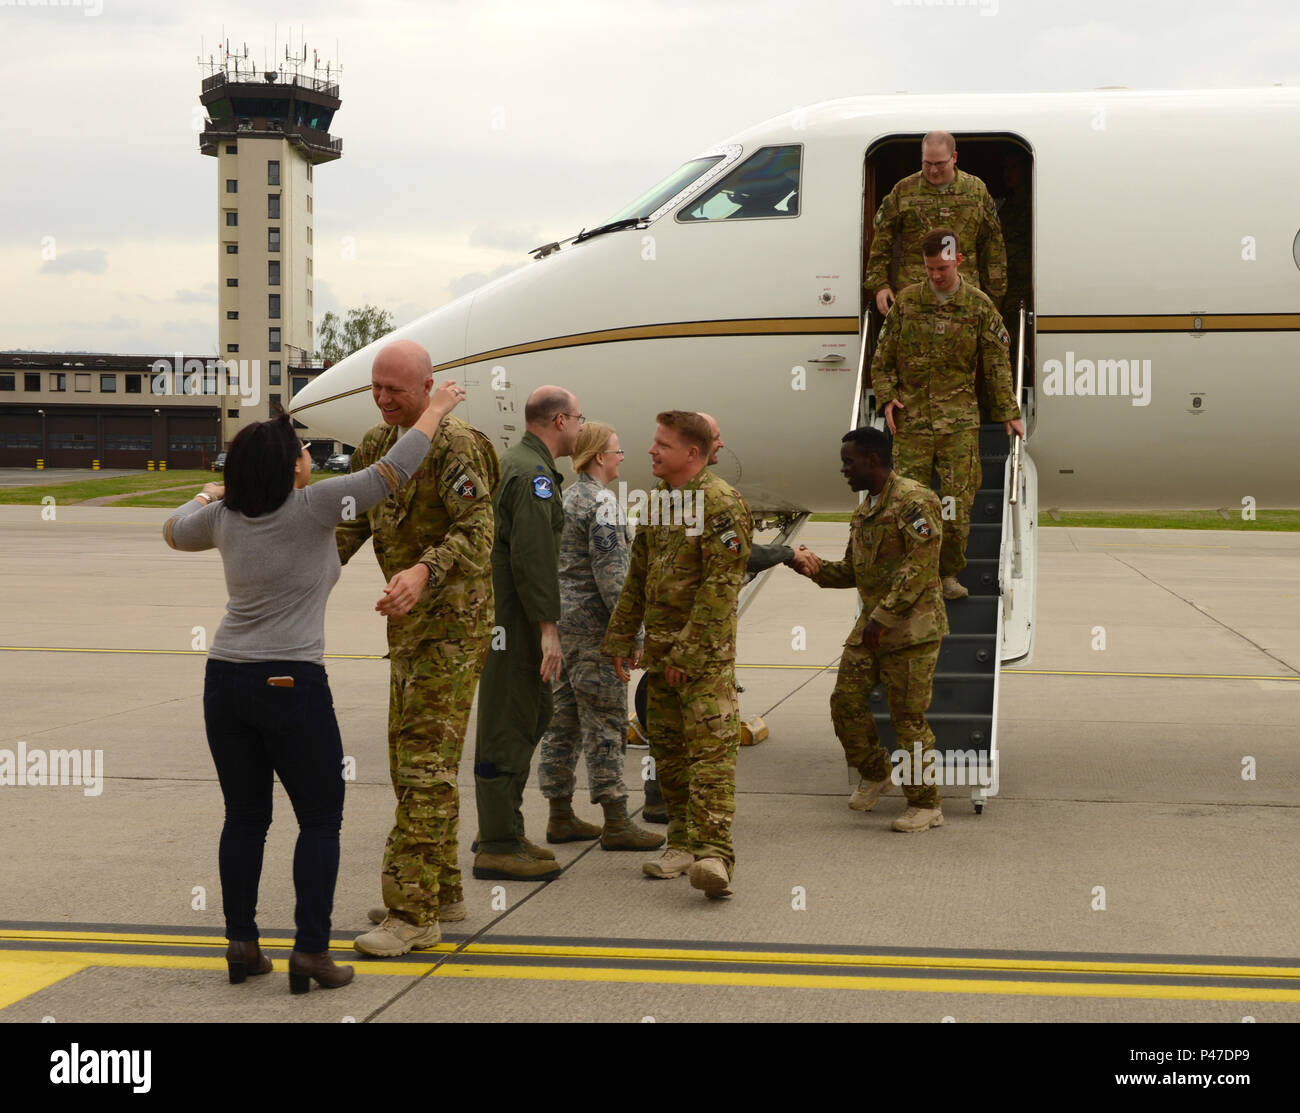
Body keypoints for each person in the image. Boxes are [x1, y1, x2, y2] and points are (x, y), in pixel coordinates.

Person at [163, 378, 466, 992]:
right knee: (320, 818)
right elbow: (392, 472)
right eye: (302, 452)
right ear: (291, 470)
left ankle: (242, 944)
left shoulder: (223, 519)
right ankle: (310, 953)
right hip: (289, 679)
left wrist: (211, 493)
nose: (311, 456)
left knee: (245, 817)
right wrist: (435, 409)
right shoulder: (316, 506)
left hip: (224, 678)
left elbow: (173, 528)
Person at [335, 340, 499, 959]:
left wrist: (424, 571)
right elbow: (351, 519)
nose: (382, 400)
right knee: (411, 763)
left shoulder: (457, 446)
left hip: (453, 629)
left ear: (428, 387)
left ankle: (412, 915)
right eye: (376, 388)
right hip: (406, 631)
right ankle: (442, 890)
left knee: (425, 768)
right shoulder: (377, 447)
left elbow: (478, 530)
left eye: (395, 391)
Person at [602, 410, 752, 899]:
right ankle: (683, 842)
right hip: (662, 660)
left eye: (661, 444)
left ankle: (715, 856)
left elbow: (720, 588)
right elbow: (637, 576)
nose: (650, 451)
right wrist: (622, 639)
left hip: (702, 662)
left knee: (710, 759)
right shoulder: (659, 502)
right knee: (667, 755)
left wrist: (686, 654)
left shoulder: (722, 505)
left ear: (693, 452)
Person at [796, 427, 949, 832]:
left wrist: (882, 617)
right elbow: (852, 570)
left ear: (874, 460)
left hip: (911, 630)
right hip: (873, 627)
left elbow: (921, 567)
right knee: (844, 704)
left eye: (849, 461)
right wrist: (813, 568)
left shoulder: (914, 501)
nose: (844, 469)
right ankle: (876, 772)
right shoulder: (866, 508)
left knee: (907, 719)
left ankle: (925, 803)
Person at [872, 227, 1025, 600]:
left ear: (959, 260)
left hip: (958, 424)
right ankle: (910, 577)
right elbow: (883, 357)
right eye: (929, 269)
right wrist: (888, 396)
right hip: (912, 424)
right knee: (908, 504)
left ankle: (946, 576)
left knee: (956, 504)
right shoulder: (908, 303)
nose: (935, 276)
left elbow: (997, 362)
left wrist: (1008, 409)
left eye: (942, 268)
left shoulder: (978, 306)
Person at [471, 386, 581, 882]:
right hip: (513, 624)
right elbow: (532, 558)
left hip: (510, 620)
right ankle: (495, 842)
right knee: (510, 719)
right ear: (559, 421)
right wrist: (548, 631)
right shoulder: (534, 475)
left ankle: (506, 830)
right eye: (578, 418)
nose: (582, 426)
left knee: (532, 710)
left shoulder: (522, 463)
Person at [536, 421, 663, 852]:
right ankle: (615, 820)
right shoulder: (603, 504)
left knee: (563, 721)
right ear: (599, 458)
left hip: (562, 626)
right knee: (607, 721)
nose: (623, 457)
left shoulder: (566, 498)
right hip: (595, 630)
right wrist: (633, 632)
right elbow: (613, 578)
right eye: (617, 450)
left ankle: (559, 814)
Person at [865, 130, 1007, 317]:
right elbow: (881, 242)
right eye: (927, 163)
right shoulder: (904, 190)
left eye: (940, 163)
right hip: (915, 299)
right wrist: (880, 285)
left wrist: (994, 298)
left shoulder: (976, 191)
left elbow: (993, 246)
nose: (933, 170)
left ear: (954, 157)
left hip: (965, 299)